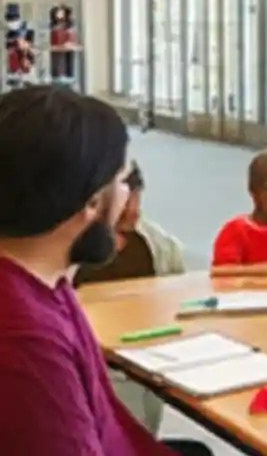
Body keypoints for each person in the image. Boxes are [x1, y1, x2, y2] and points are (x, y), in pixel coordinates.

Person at [0, 86, 212, 455]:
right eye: (123, 180)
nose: (128, 200)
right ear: (93, 202)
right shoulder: (25, 340)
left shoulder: (48, 282)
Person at [73, 162, 185, 435]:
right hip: (96, 372)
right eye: (122, 211)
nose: (133, 216)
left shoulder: (157, 245)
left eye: (137, 205)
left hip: (144, 366)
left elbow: (175, 294)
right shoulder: (68, 252)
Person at [75, 163, 186, 287]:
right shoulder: (74, 242)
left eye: (136, 197)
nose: (134, 211)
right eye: (125, 200)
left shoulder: (159, 244)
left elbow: (178, 284)